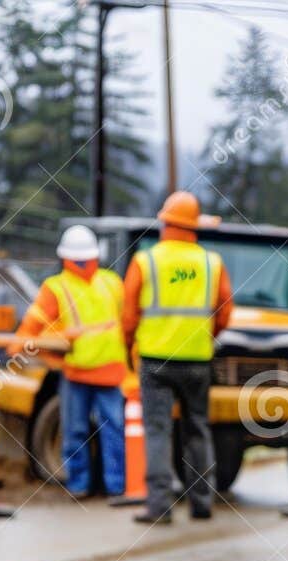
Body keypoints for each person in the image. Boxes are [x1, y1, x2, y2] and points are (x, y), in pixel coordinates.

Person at [121, 191, 233, 524]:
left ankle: (159, 506)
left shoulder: (146, 261)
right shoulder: (211, 263)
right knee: (197, 428)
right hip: (198, 361)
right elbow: (226, 311)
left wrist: (130, 346)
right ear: (194, 225)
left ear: (166, 222)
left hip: (156, 360)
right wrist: (206, 336)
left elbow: (128, 316)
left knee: (158, 431)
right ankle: (201, 502)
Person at [15, 225, 127, 498]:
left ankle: (108, 485)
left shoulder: (110, 283)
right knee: (85, 430)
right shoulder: (60, 288)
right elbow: (35, 327)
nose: (84, 264)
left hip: (106, 371)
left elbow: (128, 322)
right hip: (77, 372)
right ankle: (93, 485)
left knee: (103, 431)